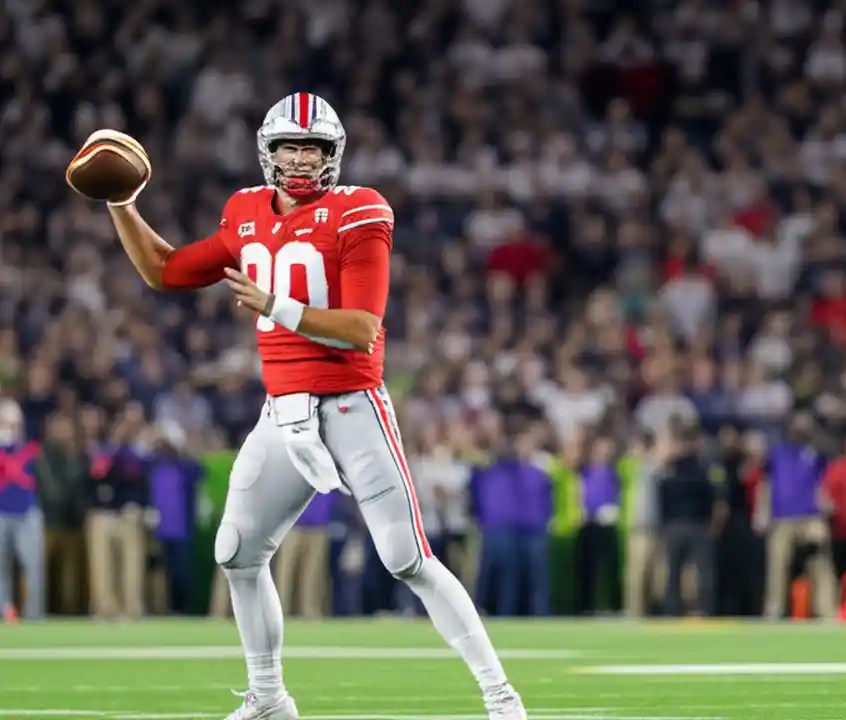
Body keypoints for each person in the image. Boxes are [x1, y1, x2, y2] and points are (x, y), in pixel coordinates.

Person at [92, 93, 526, 720]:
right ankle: (269, 698)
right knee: (237, 551)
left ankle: (501, 697)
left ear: (334, 155)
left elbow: (360, 328)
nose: (301, 159)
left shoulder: (359, 209)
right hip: (283, 411)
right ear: (268, 153)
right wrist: (121, 205)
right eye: (290, 147)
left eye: (313, 148)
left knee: (408, 559)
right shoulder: (244, 210)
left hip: (353, 406)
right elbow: (166, 271)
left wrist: (274, 306)